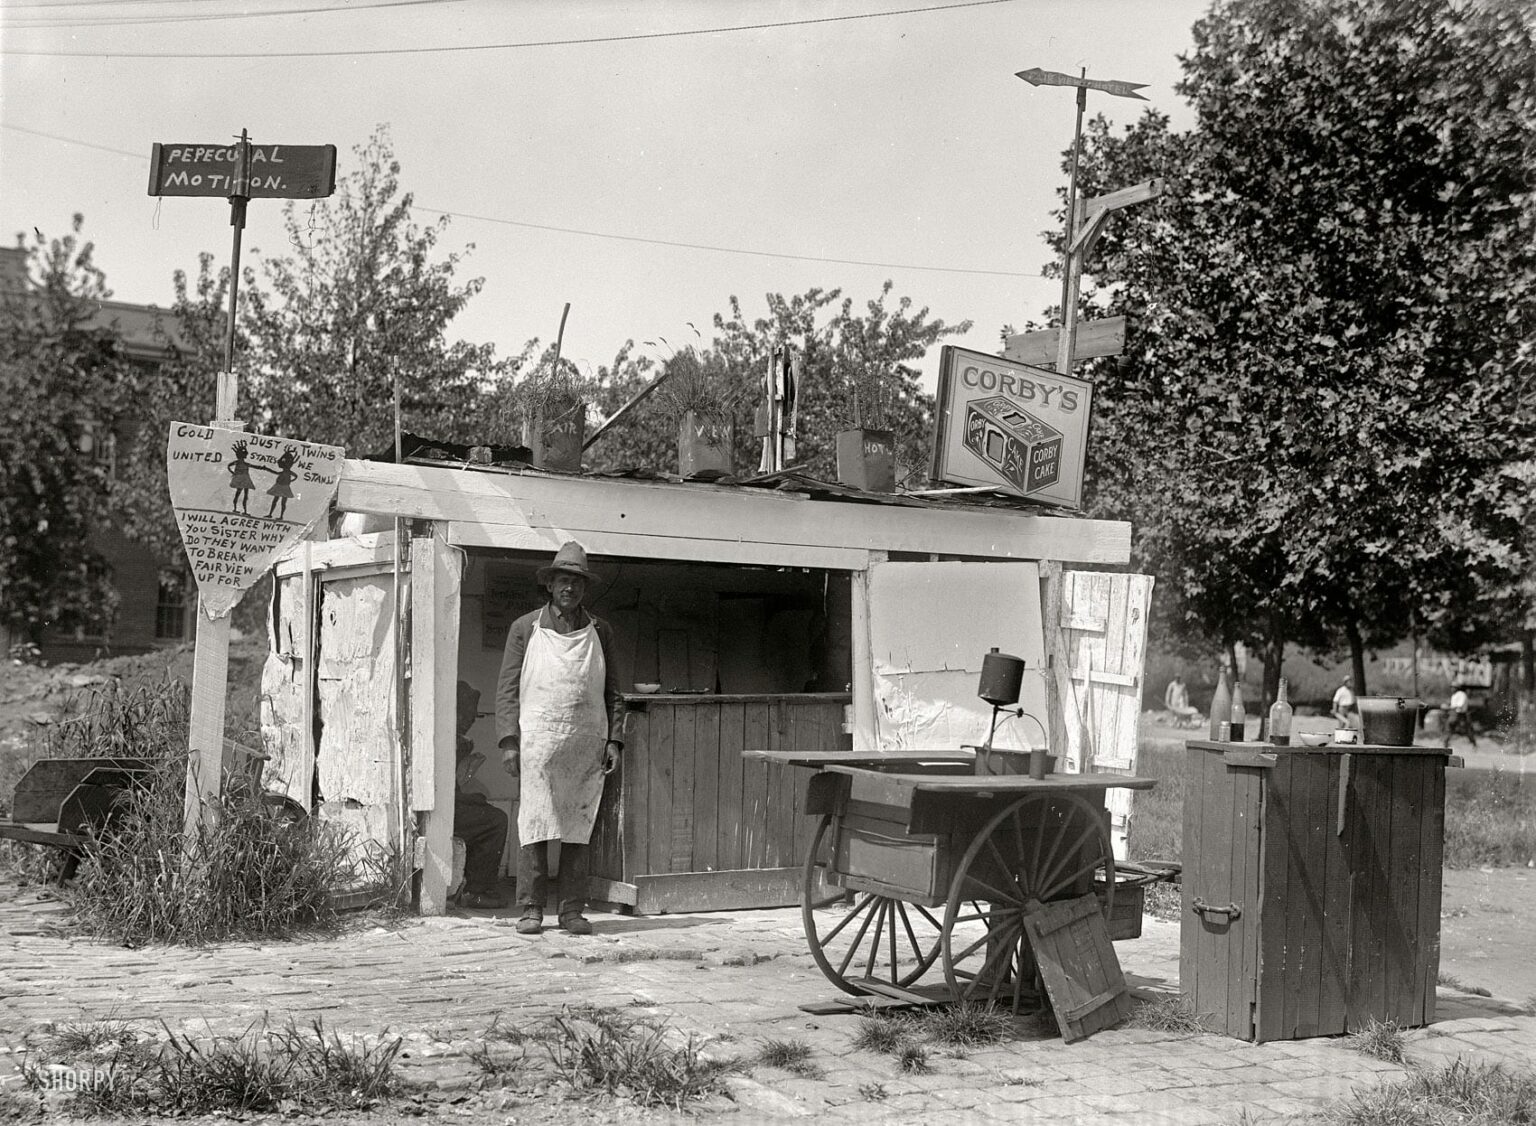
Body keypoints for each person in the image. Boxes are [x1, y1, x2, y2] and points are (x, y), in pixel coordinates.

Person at [496, 542, 624, 936]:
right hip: (538, 743)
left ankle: (571, 910)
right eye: (563, 581)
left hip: (586, 744)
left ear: (585, 589)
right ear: (550, 585)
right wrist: (509, 741)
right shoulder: (525, 628)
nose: (570, 588)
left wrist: (614, 741)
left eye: (577, 582)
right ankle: (531, 908)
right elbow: (507, 688)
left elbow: (614, 692)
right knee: (535, 823)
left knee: (577, 826)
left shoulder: (600, 630)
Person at [453, 680, 510, 909]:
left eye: (472, 716)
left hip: (451, 805)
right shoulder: (447, 738)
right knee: (496, 820)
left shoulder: (458, 739)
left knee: (485, 810)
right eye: (465, 714)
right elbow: (444, 793)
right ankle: (476, 891)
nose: (469, 721)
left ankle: (474, 887)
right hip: (440, 813)